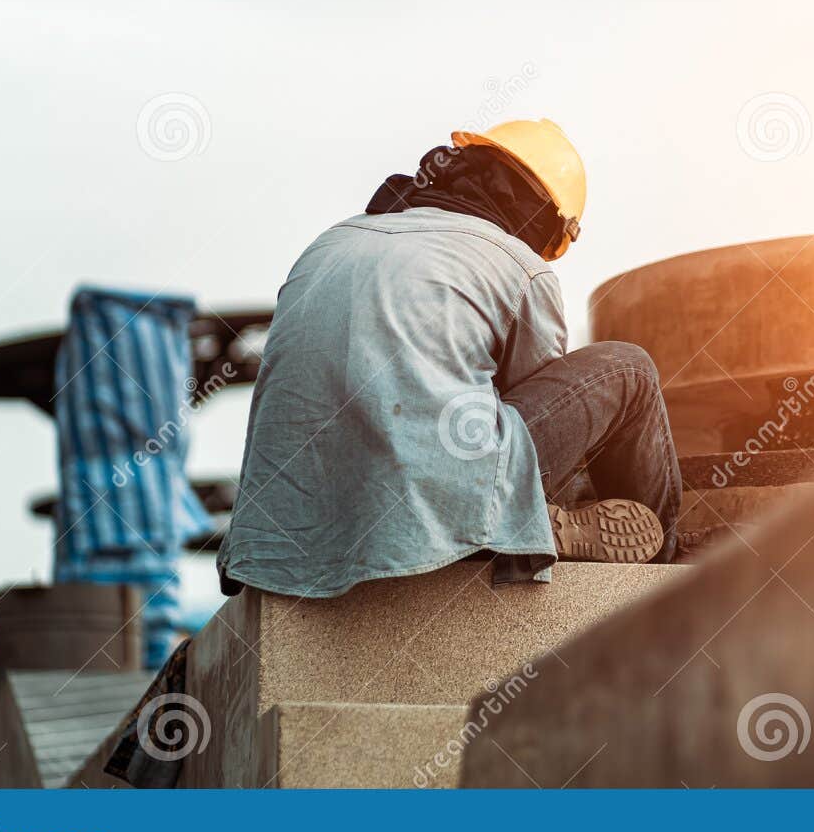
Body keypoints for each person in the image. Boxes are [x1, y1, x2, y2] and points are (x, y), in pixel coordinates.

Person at [218, 119, 681, 596]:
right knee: (630, 368)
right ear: (546, 220)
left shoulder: (332, 241)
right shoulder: (519, 265)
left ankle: (500, 519)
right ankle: (662, 578)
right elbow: (535, 402)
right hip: (437, 496)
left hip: (276, 532)